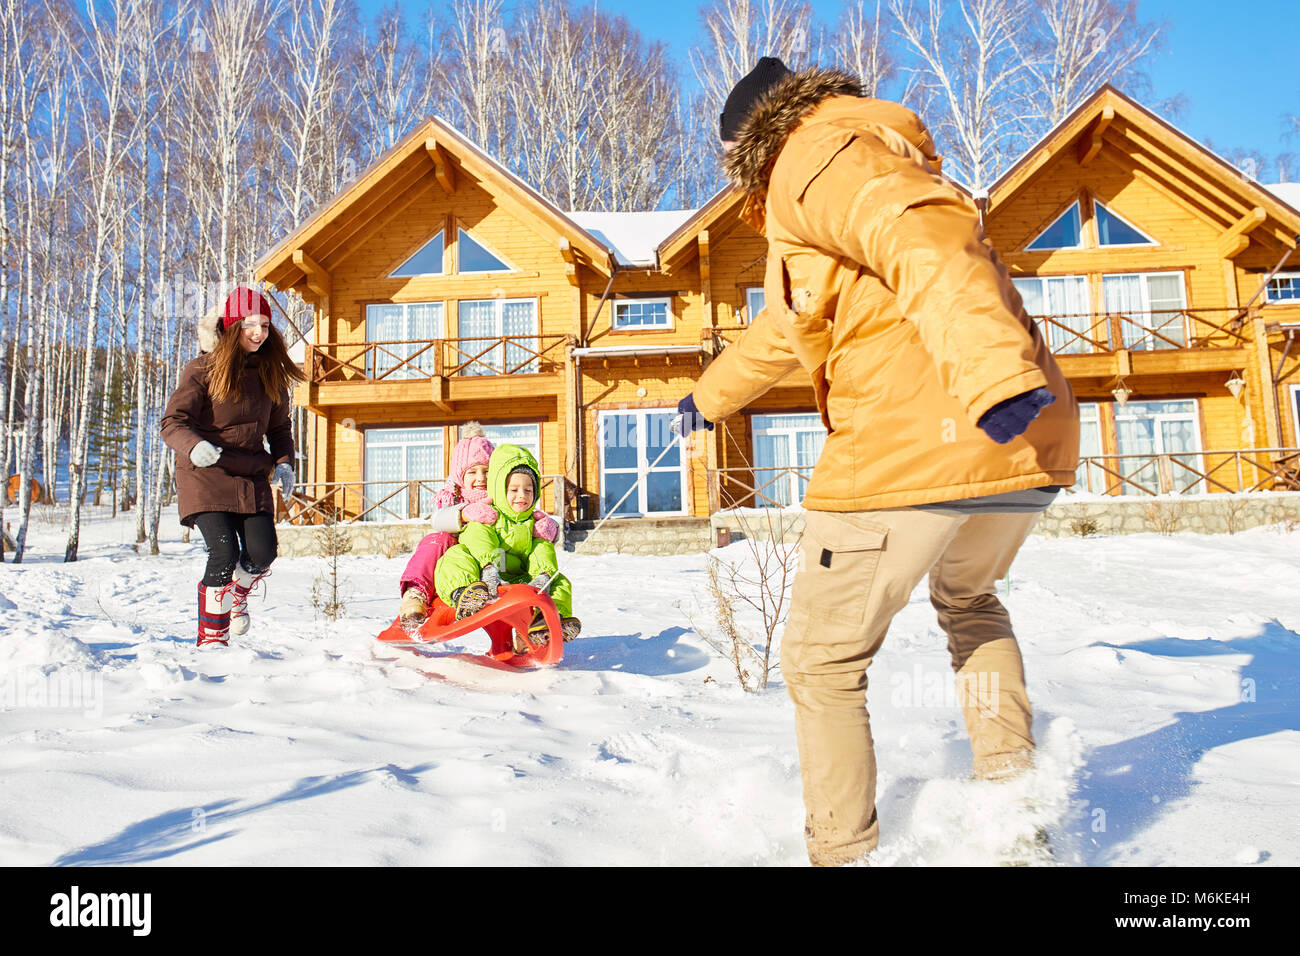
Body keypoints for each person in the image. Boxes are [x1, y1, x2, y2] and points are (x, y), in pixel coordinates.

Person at [677, 58, 1081, 865]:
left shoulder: (812, 154)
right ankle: (1013, 809)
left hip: (918, 444)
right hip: (1021, 448)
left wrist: (991, 371)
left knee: (821, 660)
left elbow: (919, 229)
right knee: (970, 604)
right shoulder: (860, 150)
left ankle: (843, 853)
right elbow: (780, 333)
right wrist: (711, 397)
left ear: (748, 142)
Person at [161, 286, 306, 648]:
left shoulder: (272, 375)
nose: (258, 333)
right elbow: (172, 422)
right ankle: (213, 638)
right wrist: (194, 447)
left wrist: (285, 464)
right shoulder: (201, 370)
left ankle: (237, 594)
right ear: (231, 325)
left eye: (265, 325)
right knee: (223, 552)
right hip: (205, 475)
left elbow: (279, 429)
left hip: (251, 476)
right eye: (249, 325)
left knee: (263, 553)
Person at [396, 424, 560, 629]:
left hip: (499, 564)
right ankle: (417, 595)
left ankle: (531, 625)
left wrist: (550, 529)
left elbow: (528, 518)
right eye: (472, 471)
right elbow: (437, 520)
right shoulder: (454, 497)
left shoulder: (507, 494)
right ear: (460, 476)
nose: (480, 478)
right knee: (438, 541)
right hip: (459, 564)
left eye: (486, 471)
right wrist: (463, 514)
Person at [434, 444, 580, 647]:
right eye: (513, 490)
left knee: (560, 581)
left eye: (528, 490)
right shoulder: (490, 514)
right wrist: (488, 568)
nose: (522, 495)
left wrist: (543, 575)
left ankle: (547, 621)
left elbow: (540, 551)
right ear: (500, 490)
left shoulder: (534, 523)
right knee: (455, 555)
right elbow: (477, 537)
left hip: (522, 580)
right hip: (483, 580)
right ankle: (463, 595)